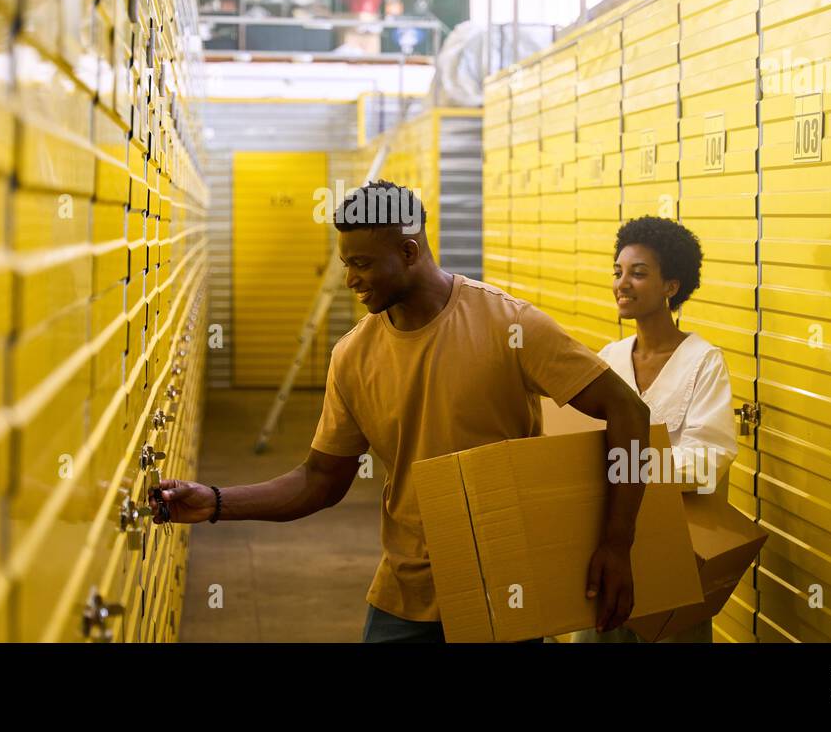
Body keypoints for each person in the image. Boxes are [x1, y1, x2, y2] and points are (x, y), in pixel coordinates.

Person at [153, 180, 653, 642]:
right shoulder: (352, 356)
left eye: (362, 264)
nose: (349, 279)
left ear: (409, 252)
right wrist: (216, 501)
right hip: (404, 593)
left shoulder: (510, 325)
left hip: (503, 587)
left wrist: (617, 543)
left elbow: (627, 411)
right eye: (345, 263)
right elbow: (320, 481)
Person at [572, 215, 737, 644]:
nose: (622, 284)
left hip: (673, 553)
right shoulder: (610, 357)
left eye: (639, 274)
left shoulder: (703, 361)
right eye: (618, 272)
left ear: (671, 286)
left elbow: (707, 462)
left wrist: (627, 471)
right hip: (608, 546)